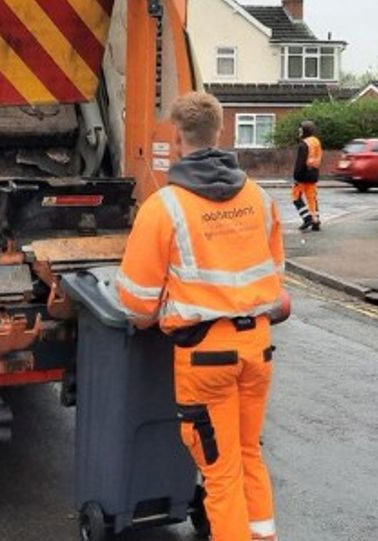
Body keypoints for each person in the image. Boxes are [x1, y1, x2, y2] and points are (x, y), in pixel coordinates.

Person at [115, 92, 287, 541]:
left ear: (175, 138)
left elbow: (137, 305)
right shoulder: (260, 199)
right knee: (249, 453)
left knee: (221, 470)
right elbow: (274, 280)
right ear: (222, 133)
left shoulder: (165, 208)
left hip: (206, 358)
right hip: (257, 349)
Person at [293, 120, 323, 231]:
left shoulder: (304, 144)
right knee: (312, 198)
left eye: (300, 129)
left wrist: (296, 176)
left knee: (296, 197)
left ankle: (307, 218)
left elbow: (300, 162)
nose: (299, 131)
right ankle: (316, 220)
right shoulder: (316, 142)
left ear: (305, 130)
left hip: (303, 175)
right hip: (313, 173)